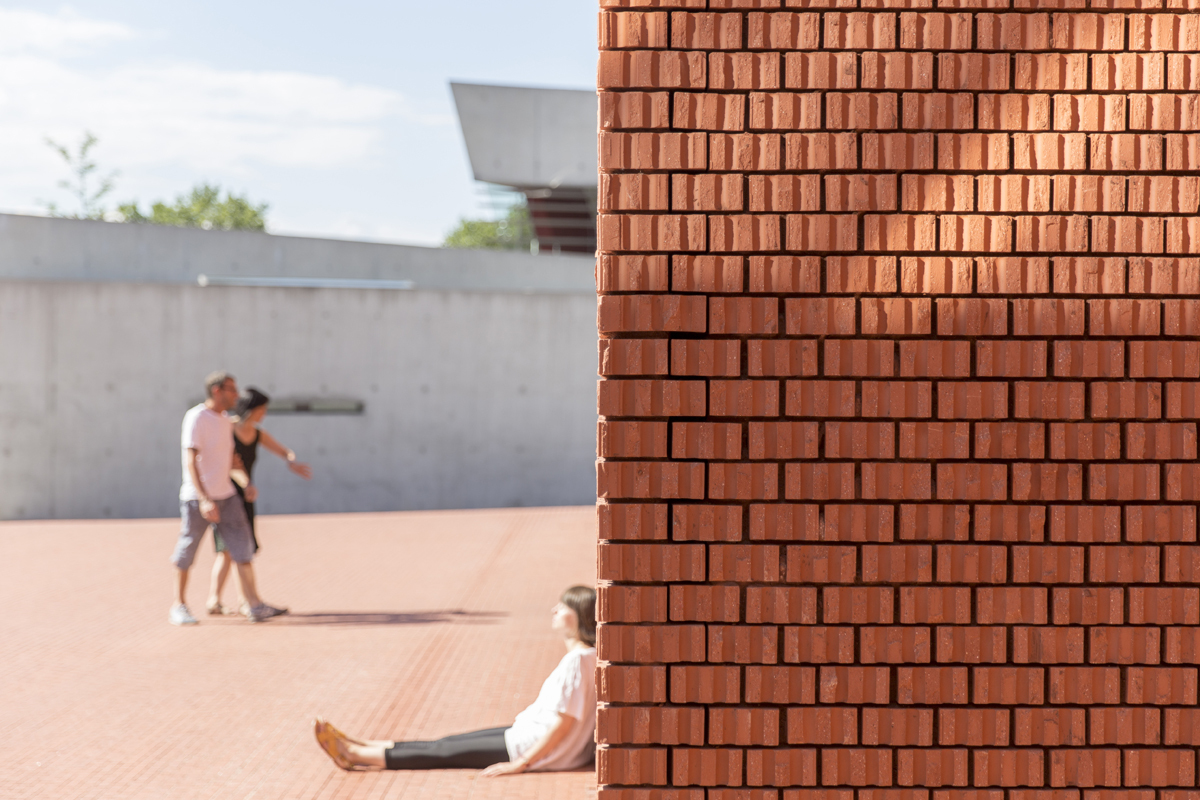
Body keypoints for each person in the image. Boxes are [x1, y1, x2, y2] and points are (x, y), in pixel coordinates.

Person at [313, 586, 596, 775]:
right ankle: (365, 744)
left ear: (580, 617)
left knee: (444, 752)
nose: (554, 610)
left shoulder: (578, 661)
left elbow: (563, 724)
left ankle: (355, 754)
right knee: (446, 742)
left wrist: (521, 764)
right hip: (525, 734)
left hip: (529, 747)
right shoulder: (589, 657)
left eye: (563, 607)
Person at [168, 372, 287, 626]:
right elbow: (191, 461)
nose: (237, 394)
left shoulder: (225, 421)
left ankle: (254, 605)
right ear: (217, 391)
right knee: (187, 551)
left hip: (228, 496)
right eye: (232, 389)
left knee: (243, 549)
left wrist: (246, 483)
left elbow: (232, 460)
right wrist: (204, 499)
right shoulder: (197, 417)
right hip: (197, 498)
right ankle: (179, 606)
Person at [206, 387, 312, 616]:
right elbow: (228, 464)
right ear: (252, 409)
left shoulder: (256, 433)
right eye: (262, 409)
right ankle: (246, 602)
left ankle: (219, 601)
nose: (264, 414)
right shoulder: (227, 428)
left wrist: (291, 461)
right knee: (233, 549)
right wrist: (244, 483)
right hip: (226, 495)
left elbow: (284, 451)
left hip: (246, 495)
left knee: (233, 550)